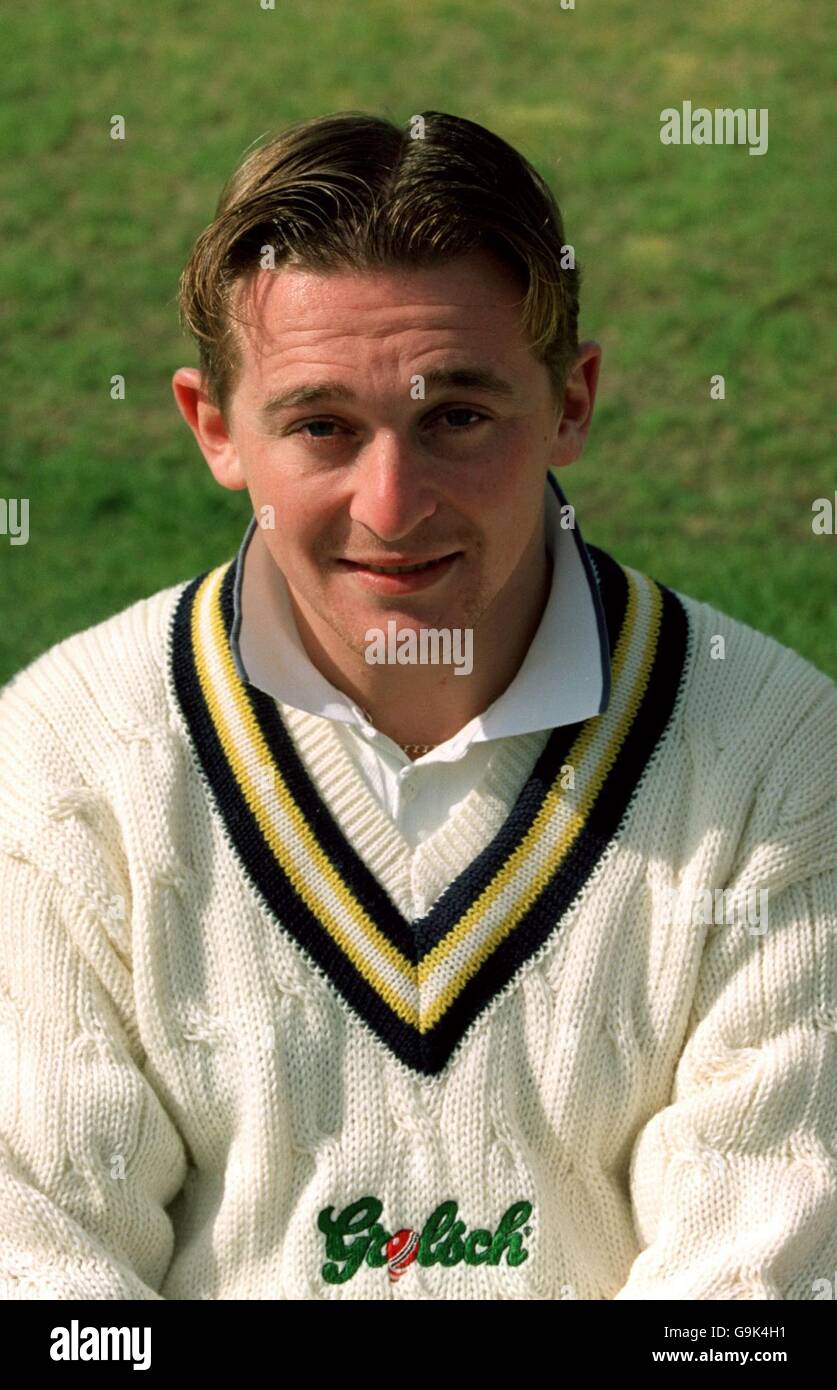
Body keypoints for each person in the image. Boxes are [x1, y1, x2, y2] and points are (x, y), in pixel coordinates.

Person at [1, 110, 834, 1301]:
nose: (393, 506)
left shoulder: (780, 754)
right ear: (215, 427)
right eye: (323, 426)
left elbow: (756, 1298)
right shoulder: (61, 755)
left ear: (573, 401)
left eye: (456, 417)